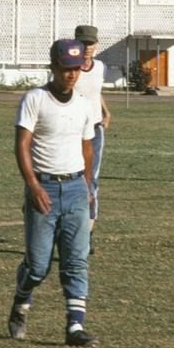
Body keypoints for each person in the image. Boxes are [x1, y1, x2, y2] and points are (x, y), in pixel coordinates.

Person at [7, 38, 99, 347]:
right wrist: (32, 185)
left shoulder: (86, 104)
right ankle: (21, 302)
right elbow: (21, 145)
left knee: (76, 261)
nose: (71, 75)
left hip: (75, 189)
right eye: (65, 69)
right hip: (43, 189)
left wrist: (86, 186)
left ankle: (75, 326)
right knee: (37, 266)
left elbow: (87, 147)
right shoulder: (35, 99)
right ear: (53, 67)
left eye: (76, 69)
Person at [71, 24, 109, 224]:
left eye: (90, 43)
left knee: (91, 178)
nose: (87, 47)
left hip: (94, 129)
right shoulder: (69, 68)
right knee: (70, 177)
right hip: (71, 130)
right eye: (83, 43)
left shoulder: (100, 67)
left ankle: (88, 229)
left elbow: (96, 91)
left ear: (96, 45)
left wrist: (105, 111)